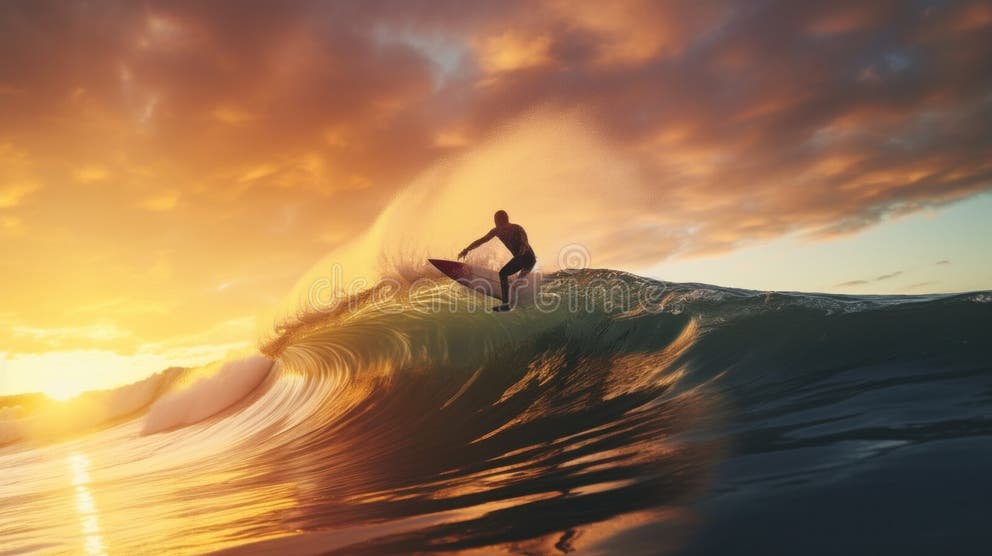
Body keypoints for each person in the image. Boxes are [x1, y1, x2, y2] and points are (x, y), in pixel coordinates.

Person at [458, 210, 536, 311]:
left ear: (503, 220)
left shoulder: (517, 228)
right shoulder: (496, 231)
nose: (498, 225)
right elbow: (481, 241)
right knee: (516, 282)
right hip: (520, 258)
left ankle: (506, 305)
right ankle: (515, 295)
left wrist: (520, 253)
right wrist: (466, 250)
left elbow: (524, 242)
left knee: (503, 273)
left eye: (498, 221)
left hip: (528, 258)